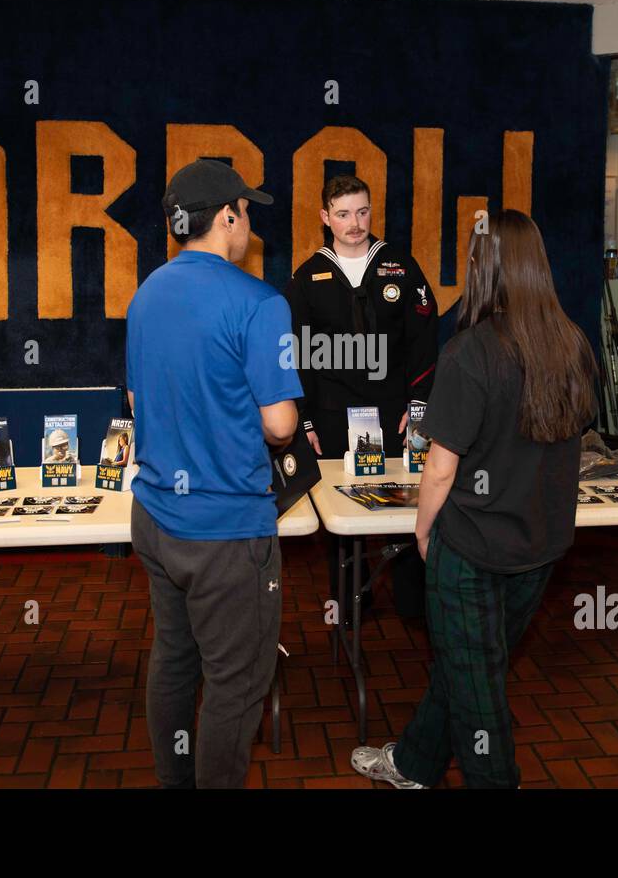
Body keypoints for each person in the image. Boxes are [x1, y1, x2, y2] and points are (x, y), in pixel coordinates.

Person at [350, 210, 597, 789]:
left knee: (478, 684)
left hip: (472, 551)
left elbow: (439, 469)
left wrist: (422, 530)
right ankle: (415, 764)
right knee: (470, 669)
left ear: (483, 268)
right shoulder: (573, 343)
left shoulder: (469, 351)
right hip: (540, 548)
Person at [125, 159, 302, 789]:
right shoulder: (259, 302)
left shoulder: (146, 294)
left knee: (175, 660)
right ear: (226, 216)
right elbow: (280, 425)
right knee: (236, 684)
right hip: (225, 532)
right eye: (246, 210)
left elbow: (139, 402)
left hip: (155, 519)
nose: (249, 222)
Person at [286, 174, 438, 618]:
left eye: (362, 211)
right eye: (343, 214)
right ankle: (352, 602)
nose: (354, 223)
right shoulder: (307, 276)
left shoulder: (400, 267)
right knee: (341, 515)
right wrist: (304, 419)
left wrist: (419, 402)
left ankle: (413, 602)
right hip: (332, 415)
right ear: (325, 217)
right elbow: (296, 353)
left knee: (405, 506)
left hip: (394, 414)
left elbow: (424, 338)